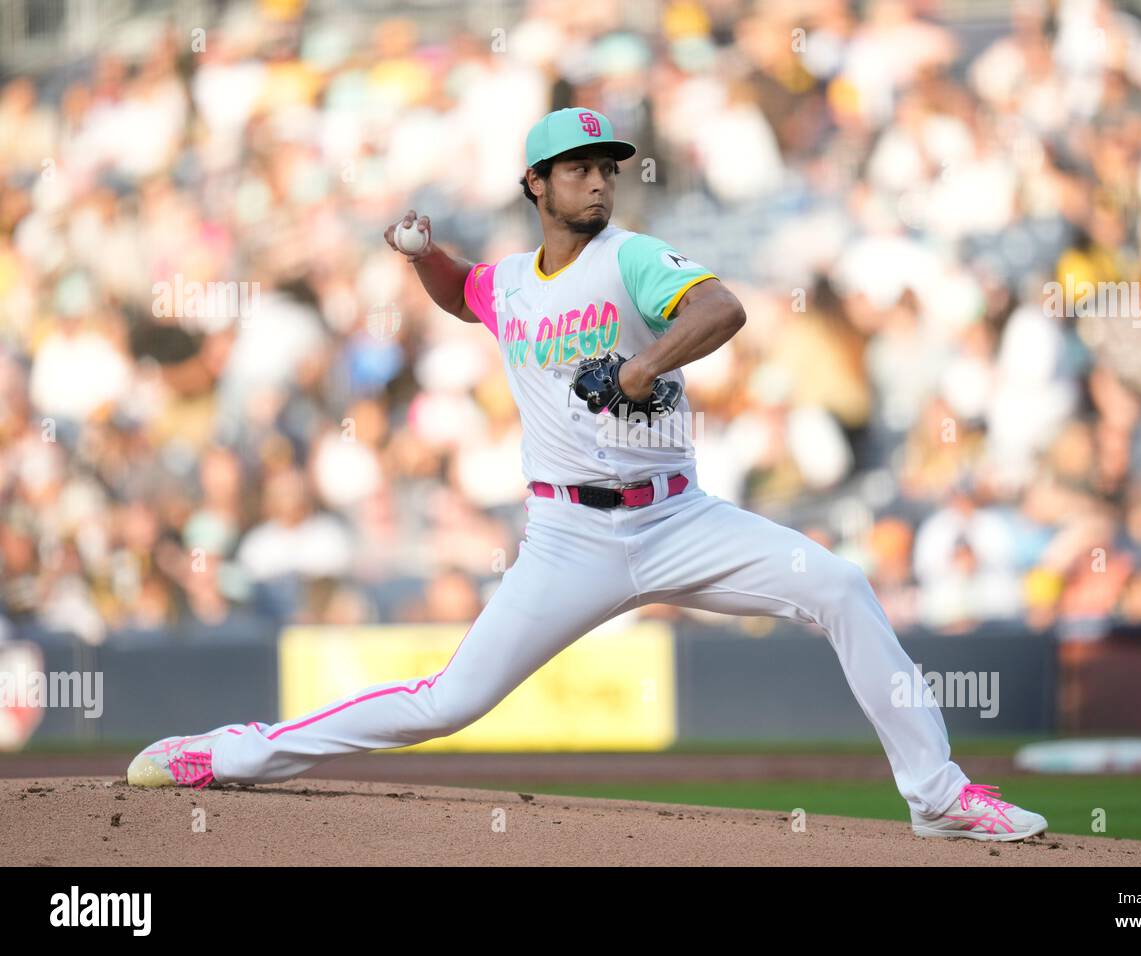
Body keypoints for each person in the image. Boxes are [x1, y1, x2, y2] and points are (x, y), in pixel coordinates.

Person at [128, 107, 1047, 841]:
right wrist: (425, 260)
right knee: (446, 703)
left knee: (842, 585)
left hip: (681, 520)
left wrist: (642, 369)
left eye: (607, 166)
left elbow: (723, 308)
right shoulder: (513, 283)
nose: (599, 178)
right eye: (578, 167)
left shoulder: (631, 258)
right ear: (535, 184)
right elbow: (467, 296)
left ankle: (937, 796)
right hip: (569, 538)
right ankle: (229, 754)